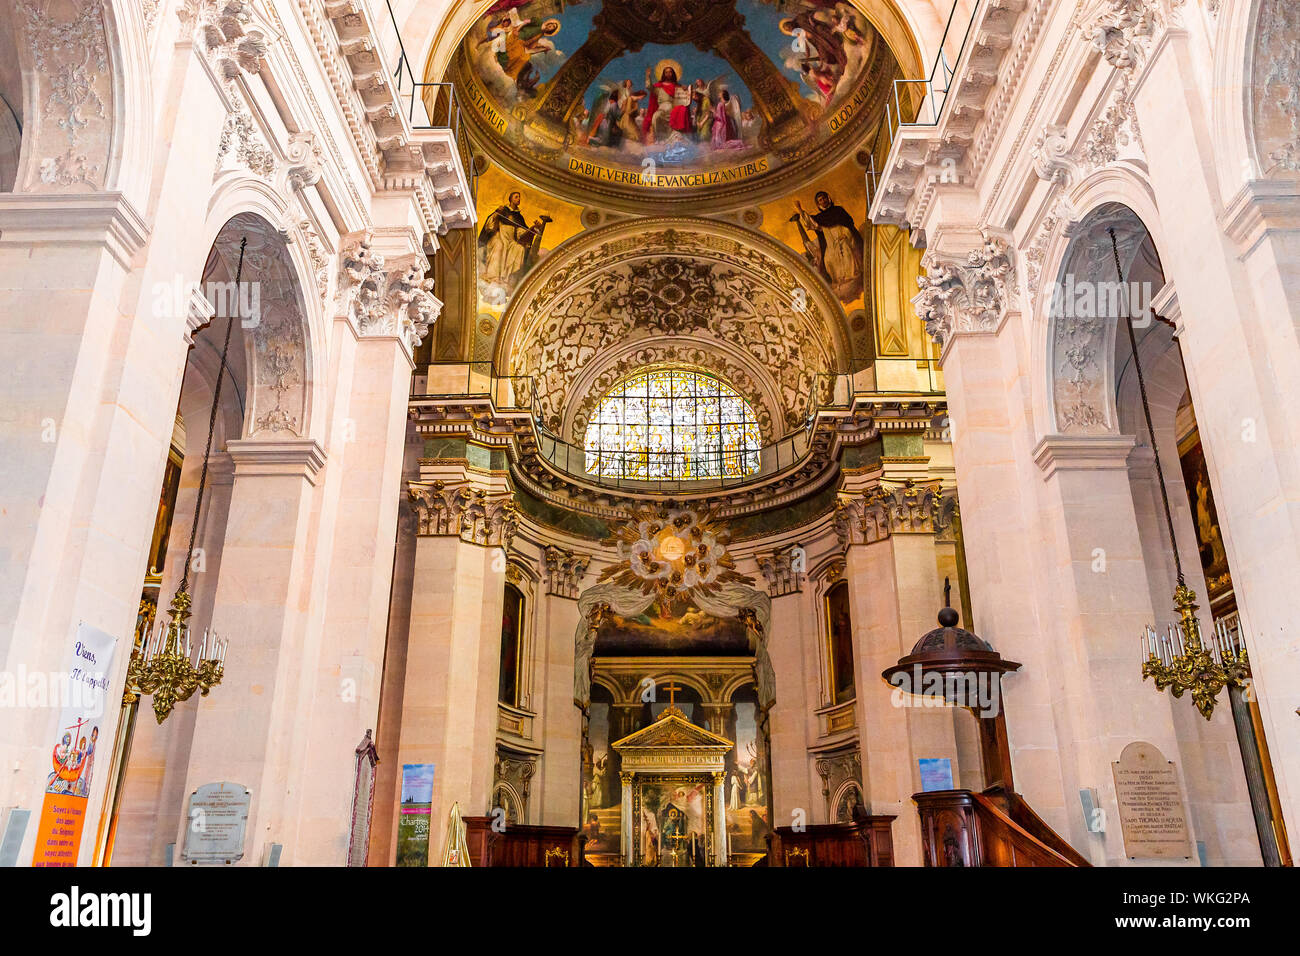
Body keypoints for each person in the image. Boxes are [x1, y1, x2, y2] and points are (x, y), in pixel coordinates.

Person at [791, 190, 864, 302]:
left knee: (846, 250)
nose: (823, 201)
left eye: (824, 198)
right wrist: (800, 210)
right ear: (818, 204)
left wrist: (845, 234)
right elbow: (811, 223)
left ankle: (852, 276)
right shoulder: (820, 218)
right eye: (820, 200)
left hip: (844, 236)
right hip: (830, 241)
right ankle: (840, 280)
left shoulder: (838, 210)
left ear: (828, 198)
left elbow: (849, 223)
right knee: (829, 258)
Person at [477, 191, 550, 291]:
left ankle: (507, 279)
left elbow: (521, 232)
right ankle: (493, 276)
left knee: (520, 249)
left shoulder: (519, 217)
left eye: (519, 197)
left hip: (511, 239)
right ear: (510, 198)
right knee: (500, 245)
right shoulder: (503, 210)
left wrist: (534, 228)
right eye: (516, 197)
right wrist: (497, 213)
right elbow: (490, 223)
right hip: (500, 235)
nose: (518, 199)